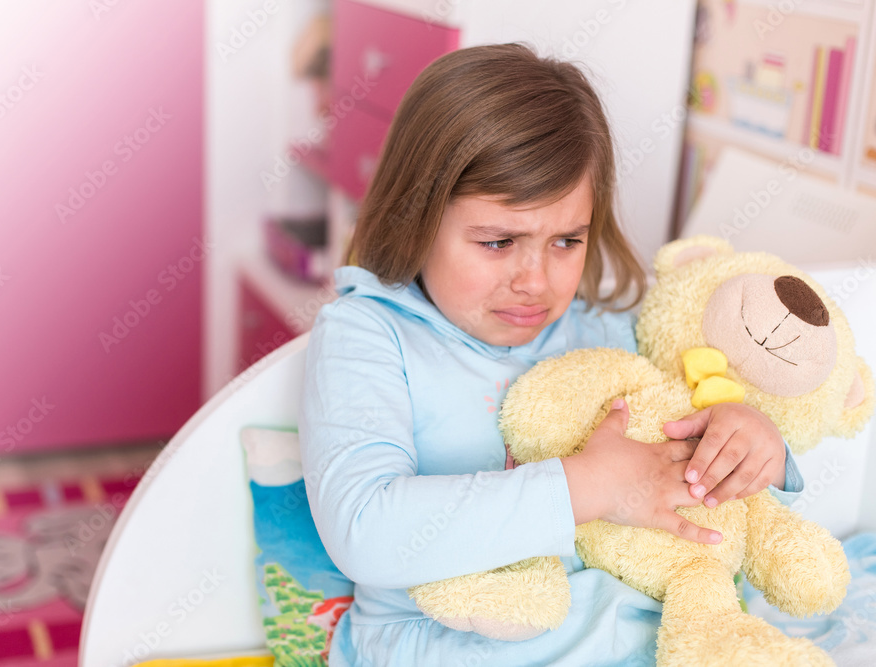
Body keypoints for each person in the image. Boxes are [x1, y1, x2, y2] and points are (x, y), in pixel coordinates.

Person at [297, 43, 803, 666]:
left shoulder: (605, 332)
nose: (535, 280)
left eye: (567, 240)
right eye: (499, 241)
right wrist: (590, 484)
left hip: (627, 634)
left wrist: (750, 441)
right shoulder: (369, 334)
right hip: (447, 644)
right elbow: (364, 530)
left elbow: (692, 455)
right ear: (417, 216)